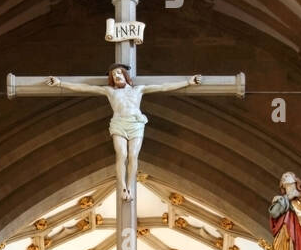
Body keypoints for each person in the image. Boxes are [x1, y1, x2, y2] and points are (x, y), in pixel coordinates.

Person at [46, 64, 201, 200]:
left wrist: (188, 82)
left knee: (133, 155)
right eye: (114, 75)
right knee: (122, 155)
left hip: (135, 124)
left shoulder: (139, 90)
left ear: (125, 75)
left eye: (119, 73)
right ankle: (123, 188)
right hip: (119, 123)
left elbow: (163, 87)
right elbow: (85, 88)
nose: (116, 76)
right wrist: (61, 83)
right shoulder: (110, 91)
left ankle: (130, 186)